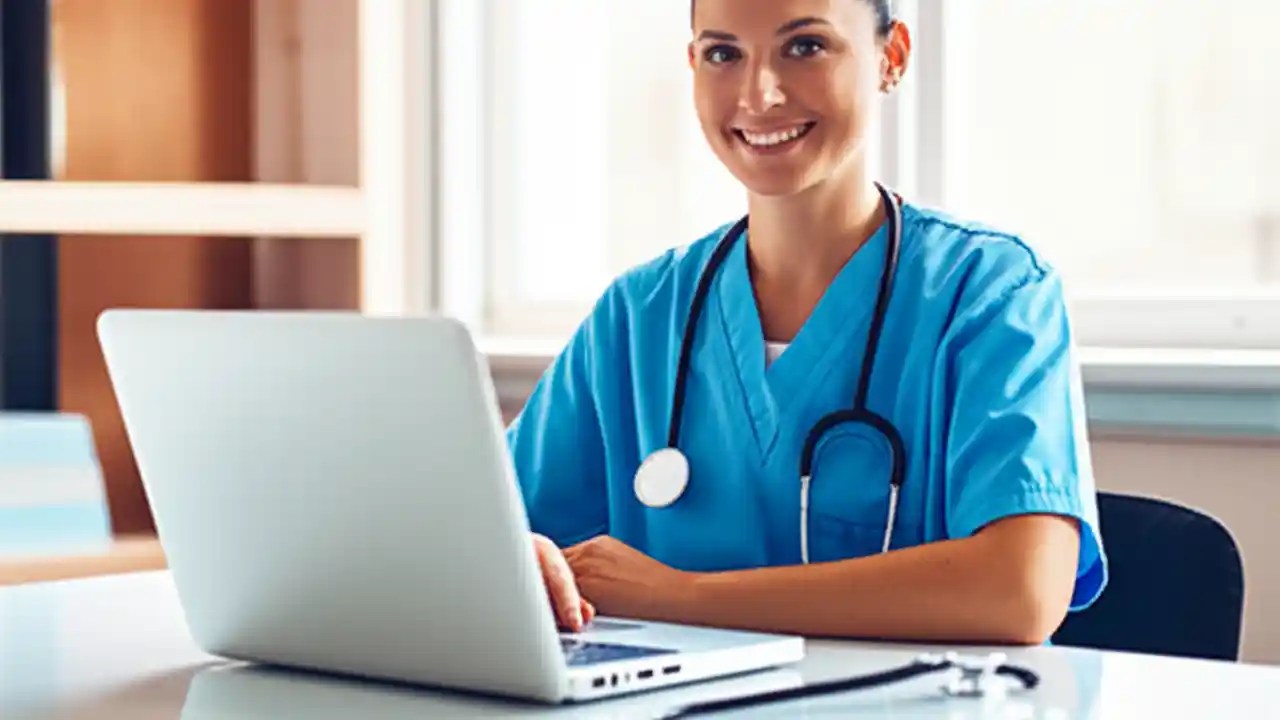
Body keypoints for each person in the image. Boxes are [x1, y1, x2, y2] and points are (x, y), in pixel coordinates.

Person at [505, 0, 1107, 644]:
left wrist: (680, 596)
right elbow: (466, 531)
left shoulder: (990, 292)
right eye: (723, 54)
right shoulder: (637, 318)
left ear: (891, 57)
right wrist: (523, 560)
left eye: (805, 47)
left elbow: (1017, 592)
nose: (759, 94)